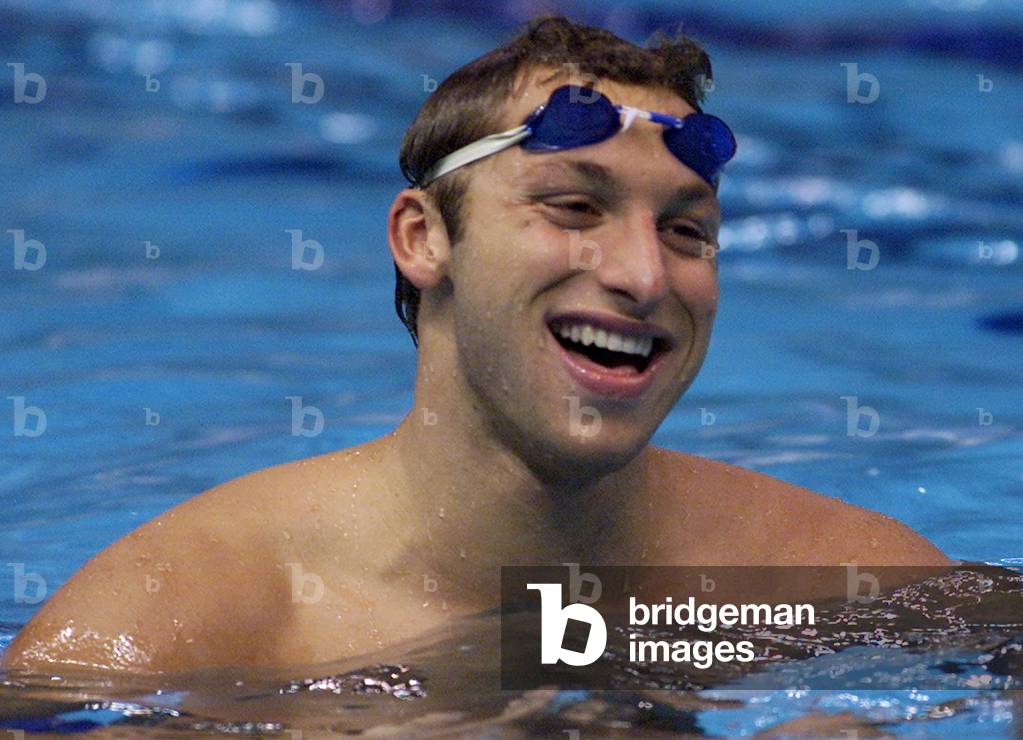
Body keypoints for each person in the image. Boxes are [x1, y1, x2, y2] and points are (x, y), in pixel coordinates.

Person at [1, 15, 948, 677]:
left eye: (686, 232)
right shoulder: (190, 619)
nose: (644, 276)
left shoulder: (823, 578)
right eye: (572, 207)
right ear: (423, 238)